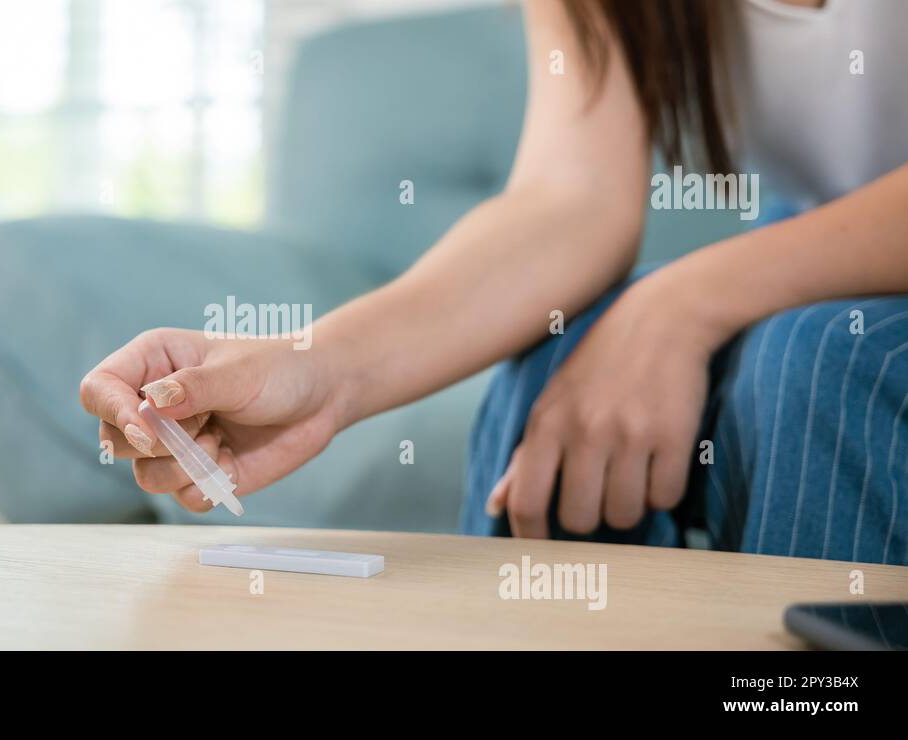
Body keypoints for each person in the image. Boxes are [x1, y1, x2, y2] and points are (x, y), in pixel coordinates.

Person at [79, 0, 908, 565]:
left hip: (831, 289)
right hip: (818, 249)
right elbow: (570, 199)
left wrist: (681, 302)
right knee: (558, 357)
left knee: (818, 371)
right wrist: (319, 368)